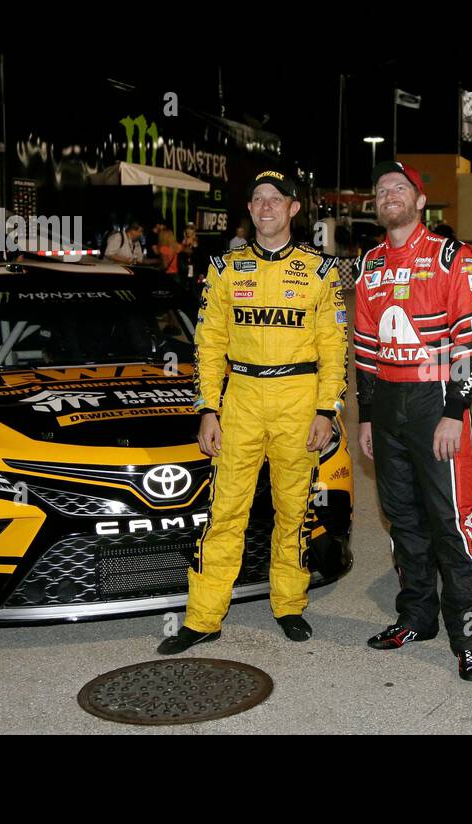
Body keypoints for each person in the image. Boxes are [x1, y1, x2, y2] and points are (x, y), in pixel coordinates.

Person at [158, 170, 347, 654]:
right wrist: (208, 410)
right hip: (240, 398)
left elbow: (333, 347)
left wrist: (327, 409)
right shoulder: (223, 268)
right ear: (251, 209)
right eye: (258, 198)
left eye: (275, 199)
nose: (266, 207)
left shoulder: (321, 271)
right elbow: (209, 344)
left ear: (293, 209)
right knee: (224, 513)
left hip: (299, 401)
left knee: (293, 512)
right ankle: (203, 617)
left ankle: (289, 605)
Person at [355, 160, 472, 682]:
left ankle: (468, 634)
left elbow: (471, 341)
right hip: (387, 406)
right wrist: (367, 418)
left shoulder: (454, 256)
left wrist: (456, 412)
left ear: (420, 200)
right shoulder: (368, 264)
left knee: (450, 522)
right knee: (402, 518)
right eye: (382, 189)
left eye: (399, 188)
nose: (389, 195)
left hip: (437, 402)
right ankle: (416, 618)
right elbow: (365, 349)